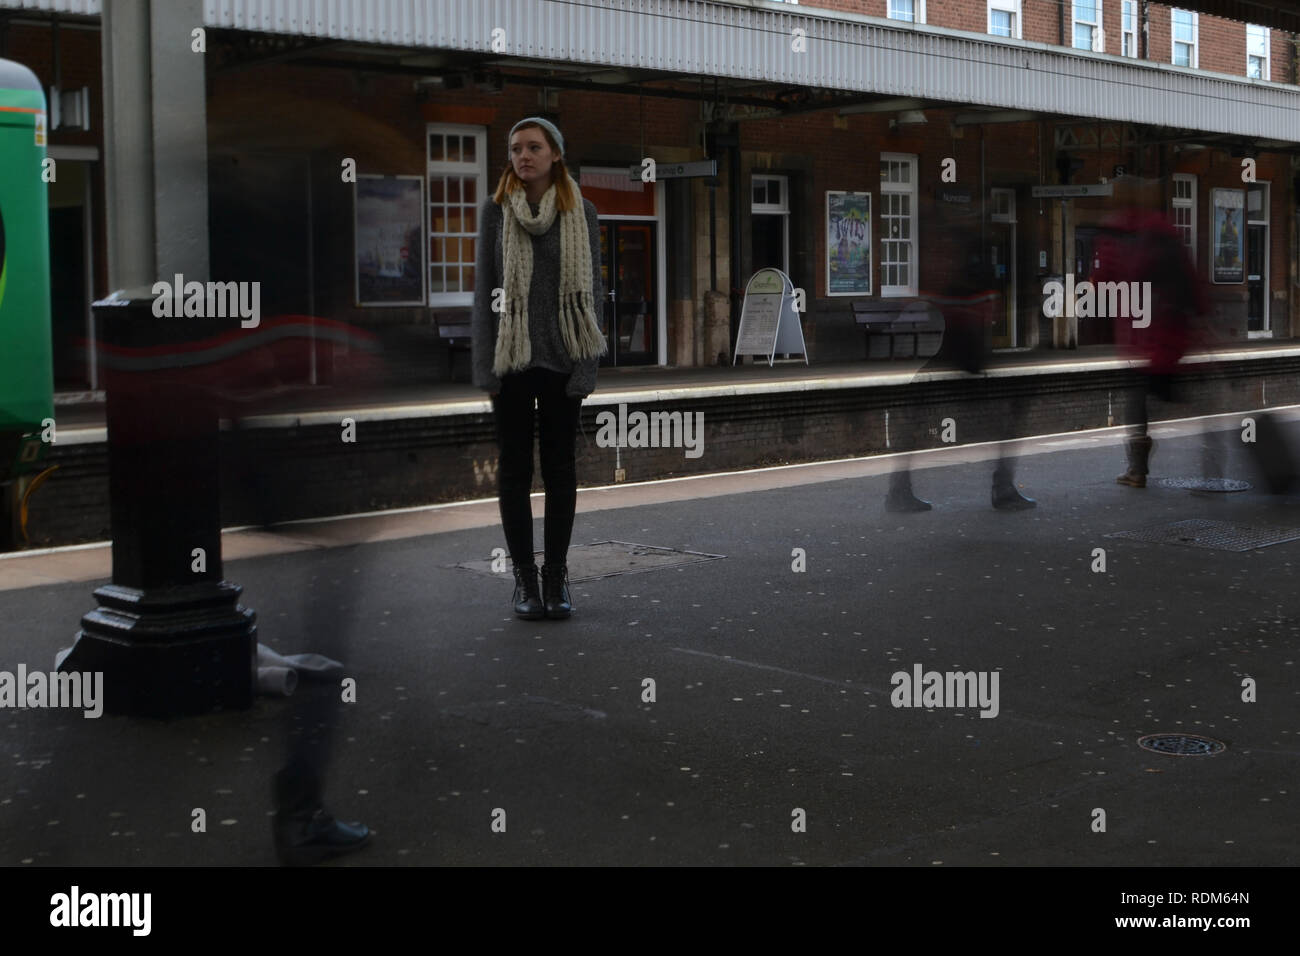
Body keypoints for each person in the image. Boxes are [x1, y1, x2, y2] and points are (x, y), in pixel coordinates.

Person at [471, 117, 606, 619]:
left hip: (561, 361)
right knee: (514, 471)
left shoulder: (582, 213)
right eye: (515, 148)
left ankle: (556, 580)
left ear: (555, 154)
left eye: (533, 147)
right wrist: (486, 370)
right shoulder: (495, 213)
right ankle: (525, 582)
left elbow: (591, 295)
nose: (522, 155)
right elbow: (484, 293)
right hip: (511, 361)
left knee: (560, 471)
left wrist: (587, 368)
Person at [885, 235, 1036, 512]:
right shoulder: (979, 288)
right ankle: (1002, 486)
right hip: (969, 361)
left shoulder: (949, 282)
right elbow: (980, 321)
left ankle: (899, 489)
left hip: (945, 358)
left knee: (912, 417)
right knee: (1010, 414)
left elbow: (927, 304)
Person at [1090, 207, 1205, 487]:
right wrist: (1201, 315)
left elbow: (1102, 281)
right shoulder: (1167, 233)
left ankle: (1137, 470)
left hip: (1138, 340)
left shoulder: (1116, 233)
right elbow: (1191, 281)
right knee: (1178, 394)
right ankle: (1209, 461)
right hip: (1172, 335)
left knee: (1137, 402)